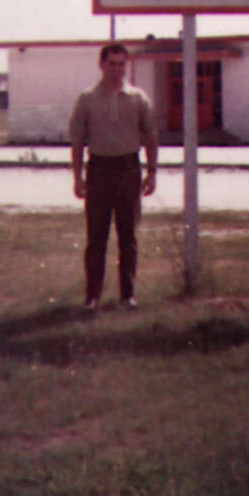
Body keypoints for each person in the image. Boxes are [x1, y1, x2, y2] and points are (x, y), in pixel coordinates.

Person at [68, 43, 158, 311]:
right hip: (98, 170)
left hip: (129, 169)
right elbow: (77, 140)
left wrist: (152, 171)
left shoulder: (138, 98)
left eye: (121, 64)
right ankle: (92, 295)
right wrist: (78, 176)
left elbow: (151, 136)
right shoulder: (87, 99)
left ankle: (127, 294)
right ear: (102, 64)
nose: (117, 69)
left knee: (128, 235)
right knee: (96, 236)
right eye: (112, 64)